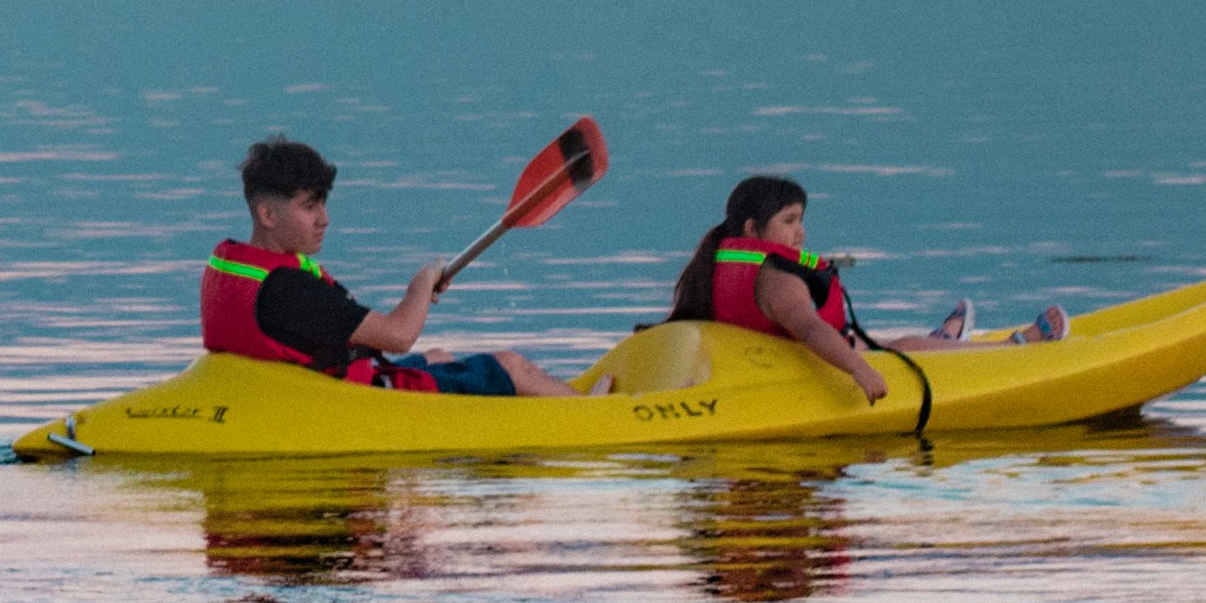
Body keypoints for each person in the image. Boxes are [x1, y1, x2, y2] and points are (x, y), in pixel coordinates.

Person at [206, 136, 573, 397]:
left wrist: (421, 295)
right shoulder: (289, 290)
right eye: (310, 207)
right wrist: (420, 286)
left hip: (309, 382)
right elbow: (397, 336)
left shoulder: (234, 266)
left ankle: (564, 395)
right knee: (511, 366)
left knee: (439, 357)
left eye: (323, 204)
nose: (325, 219)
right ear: (267, 214)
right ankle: (594, 413)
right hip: (350, 398)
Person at [670, 175, 1061, 408]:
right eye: (788, 221)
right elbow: (810, 329)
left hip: (769, 362)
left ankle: (946, 343)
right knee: (896, 351)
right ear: (753, 230)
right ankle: (1014, 347)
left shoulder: (720, 266)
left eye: (800, 221)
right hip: (790, 369)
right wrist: (860, 371)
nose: (800, 233)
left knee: (862, 340)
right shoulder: (778, 279)